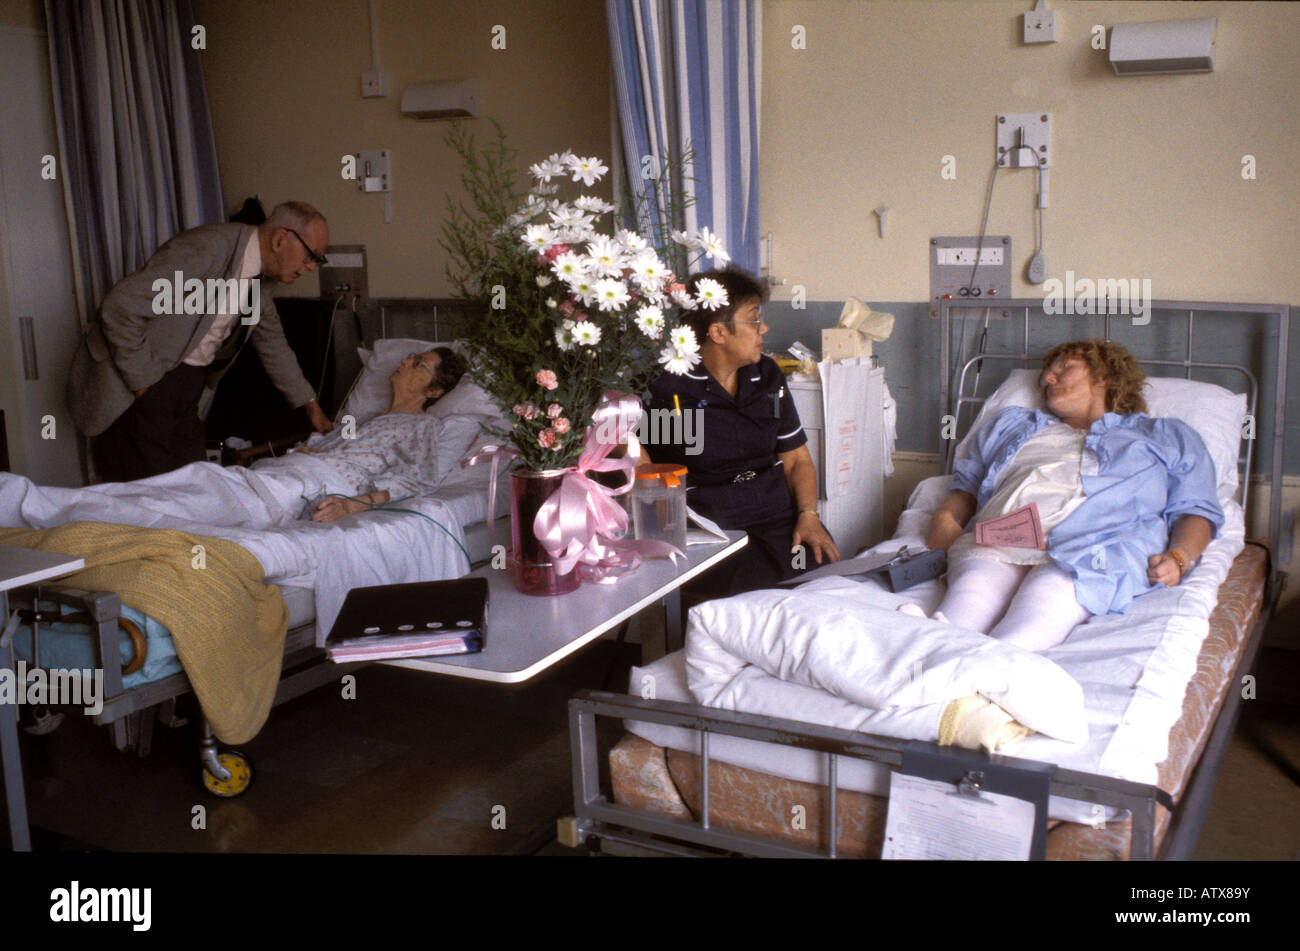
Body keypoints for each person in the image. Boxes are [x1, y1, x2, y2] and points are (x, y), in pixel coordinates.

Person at [918, 339, 1223, 651]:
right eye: (1047, 374)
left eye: (1063, 368)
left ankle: (994, 667)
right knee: (969, 598)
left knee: (1041, 606)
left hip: (1095, 548)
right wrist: (944, 517)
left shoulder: (1164, 435)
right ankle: (935, 652)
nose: (1049, 379)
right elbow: (967, 488)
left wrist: (1179, 557)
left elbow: (1195, 509)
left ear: (1105, 375)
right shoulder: (1013, 425)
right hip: (999, 537)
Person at [5, 349, 466, 532]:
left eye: (420, 364)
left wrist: (353, 505)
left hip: (294, 492)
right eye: (410, 356)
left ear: (435, 392)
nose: (406, 362)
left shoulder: (424, 429)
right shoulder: (360, 421)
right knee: (158, 490)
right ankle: (24, 505)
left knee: (154, 510)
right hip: (268, 476)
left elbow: (415, 481)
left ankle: (27, 508)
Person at [66, 201, 337, 483]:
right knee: (147, 496)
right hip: (146, 378)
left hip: (188, 386)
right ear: (281, 239)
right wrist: (142, 382)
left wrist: (310, 406)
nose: (310, 268)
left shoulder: (261, 282)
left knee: (195, 487)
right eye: (311, 256)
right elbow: (120, 307)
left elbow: (273, 345)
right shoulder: (206, 249)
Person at [645, 267, 840, 597]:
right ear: (719, 332)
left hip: (778, 513)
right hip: (715, 526)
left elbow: (795, 460)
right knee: (755, 604)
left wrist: (809, 516)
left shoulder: (766, 376)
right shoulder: (670, 389)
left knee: (828, 582)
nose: (764, 328)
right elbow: (645, 468)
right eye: (753, 320)